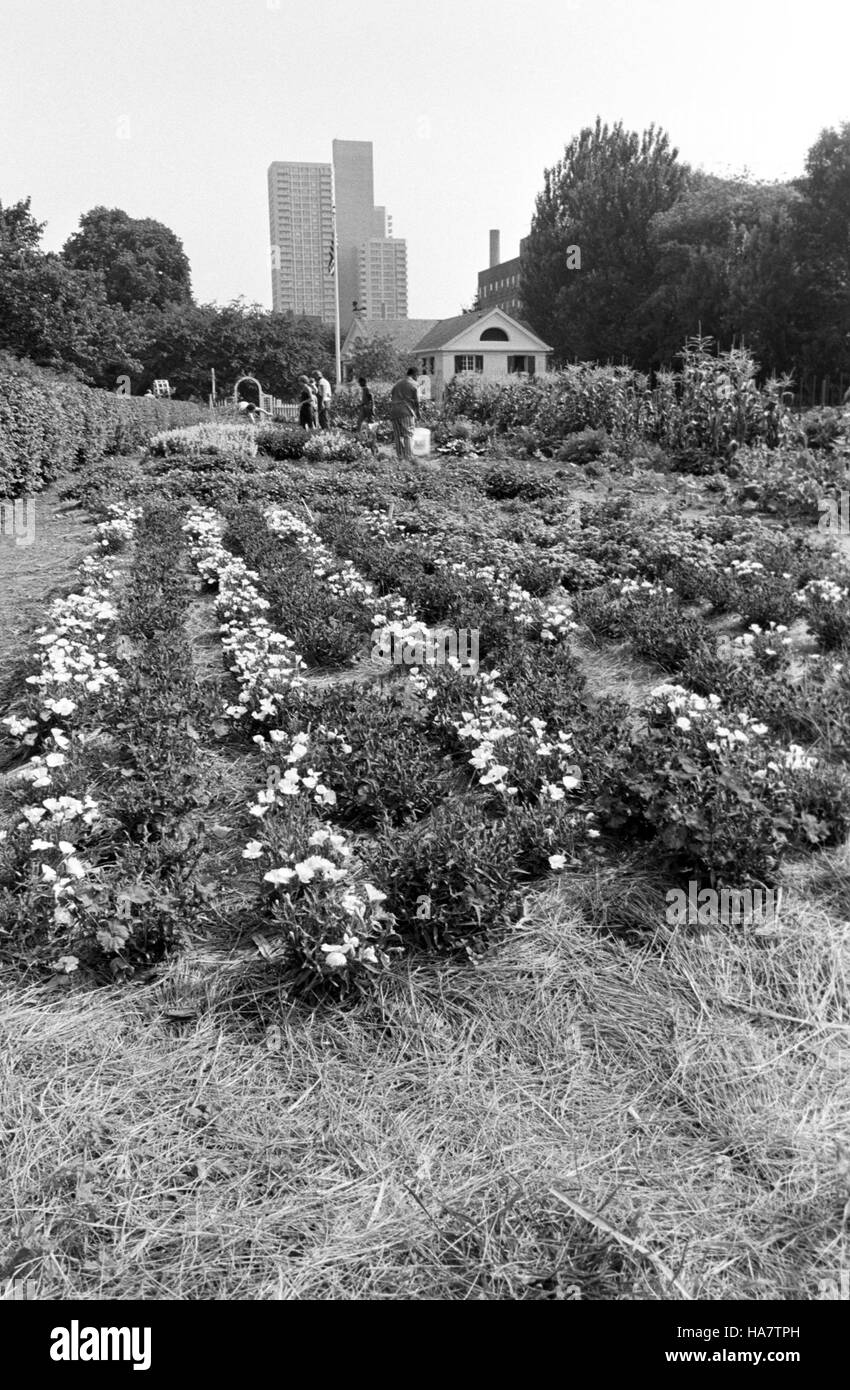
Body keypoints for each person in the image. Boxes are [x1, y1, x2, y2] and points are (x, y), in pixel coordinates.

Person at [389, 366, 421, 462]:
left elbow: (392, 396)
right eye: (417, 376)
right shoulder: (414, 384)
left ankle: (400, 457)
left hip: (394, 411)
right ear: (415, 374)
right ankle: (408, 458)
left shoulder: (397, 384)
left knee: (397, 435)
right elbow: (417, 401)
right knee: (408, 435)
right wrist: (418, 413)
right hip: (406, 411)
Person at [356, 376, 378, 455]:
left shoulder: (367, 388)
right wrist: (361, 404)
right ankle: (360, 438)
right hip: (364, 407)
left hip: (368, 408)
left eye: (360, 382)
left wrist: (372, 408)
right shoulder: (364, 389)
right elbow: (366, 399)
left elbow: (371, 398)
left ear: (363, 382)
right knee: (359, 423)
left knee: (370, 426)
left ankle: (373, 443)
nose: (359, 384)